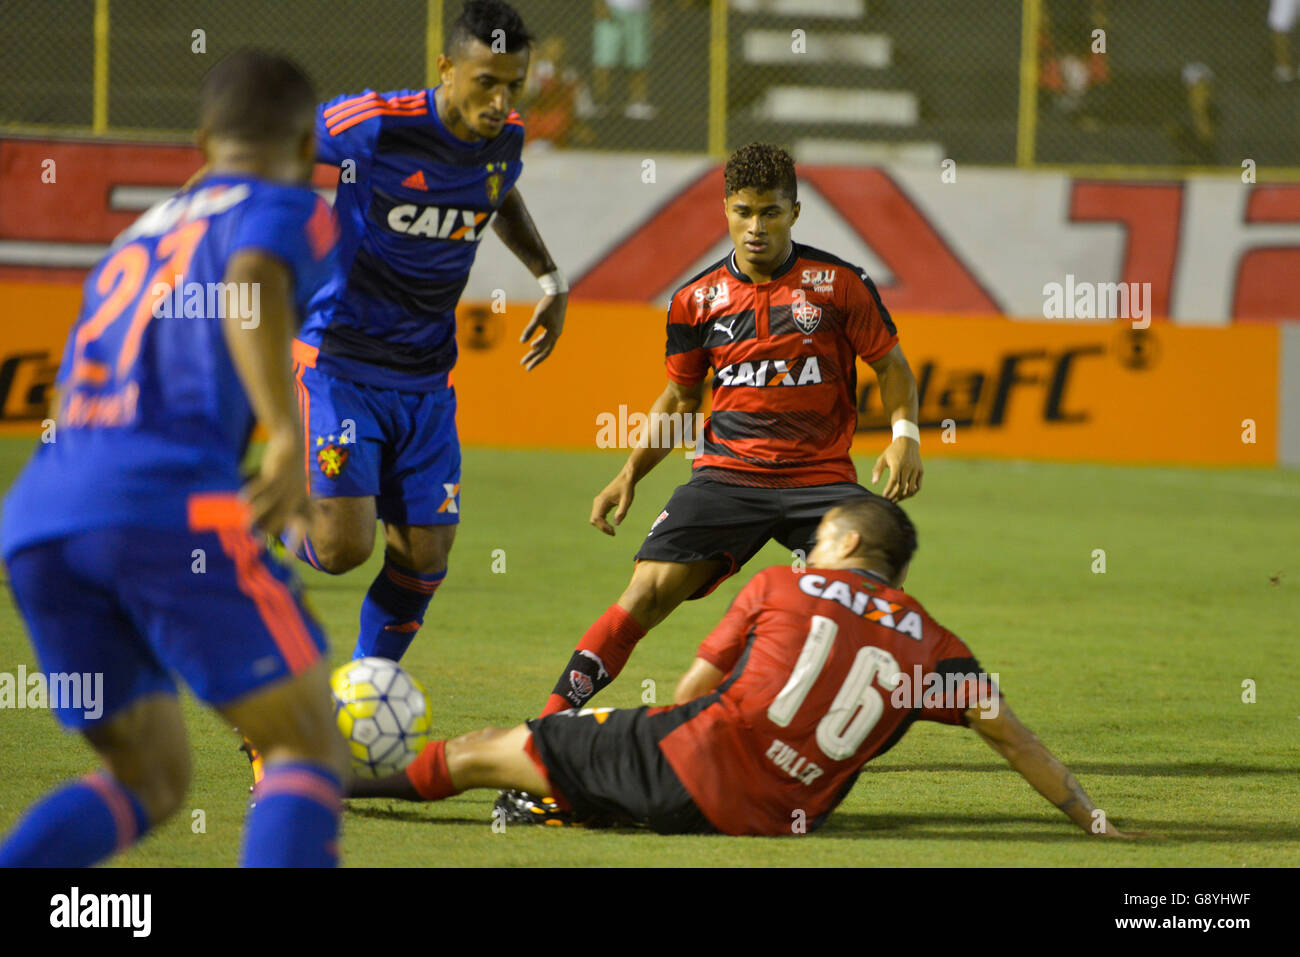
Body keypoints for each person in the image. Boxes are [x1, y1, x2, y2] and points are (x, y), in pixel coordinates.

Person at [0, 50, 348, 867]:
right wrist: (286, 430)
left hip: (42, 518)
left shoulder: (136, 235)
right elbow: (252, 278)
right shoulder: (297, 207)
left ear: (201, 140)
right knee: (305, 746)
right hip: (164, 510)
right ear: (306, 145)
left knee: (149, 773)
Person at [352, 498, 1139, 840]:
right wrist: (1092, 819)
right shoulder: (934, 642)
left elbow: (692, 694)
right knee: (609, 766)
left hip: (693, 767)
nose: (812, 546)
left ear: (851, 547)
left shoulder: (780, 581)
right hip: (778, 816)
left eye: (823, 535)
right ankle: (573, 798)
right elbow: (1017, 742)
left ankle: (318, 780)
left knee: (489, 747)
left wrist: (594, 729)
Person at [287, 0, 567, 668]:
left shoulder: (504, 139)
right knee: (341, 549)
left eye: (513, 87)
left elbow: (498, 193)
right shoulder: (375, 124)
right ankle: (259, 508)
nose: (500, 102)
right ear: (446, 67)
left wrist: (550, 276)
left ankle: (366, 692)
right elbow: (278, 141)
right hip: (341, 362)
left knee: (424, 558)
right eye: (485, 82)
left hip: (425, 378)